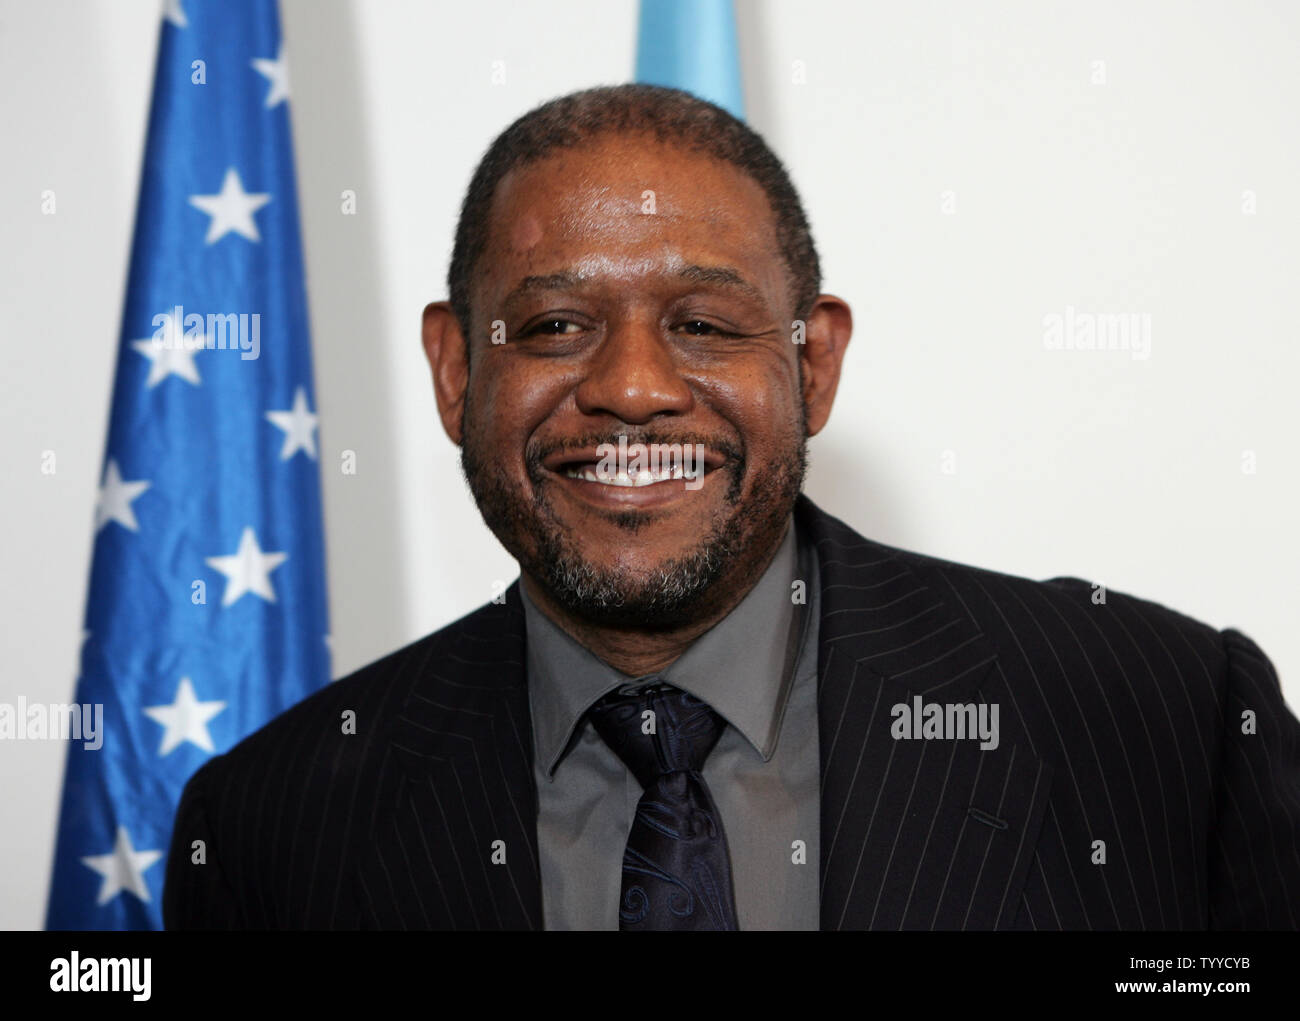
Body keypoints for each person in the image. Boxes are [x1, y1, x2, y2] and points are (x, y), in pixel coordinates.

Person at [163, 84, 1300, 930]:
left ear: (817, 360)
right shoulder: (271, 826)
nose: (633, 388)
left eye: (705, 324)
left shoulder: (1172, 726)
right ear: (457, 370)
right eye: (556, 325)